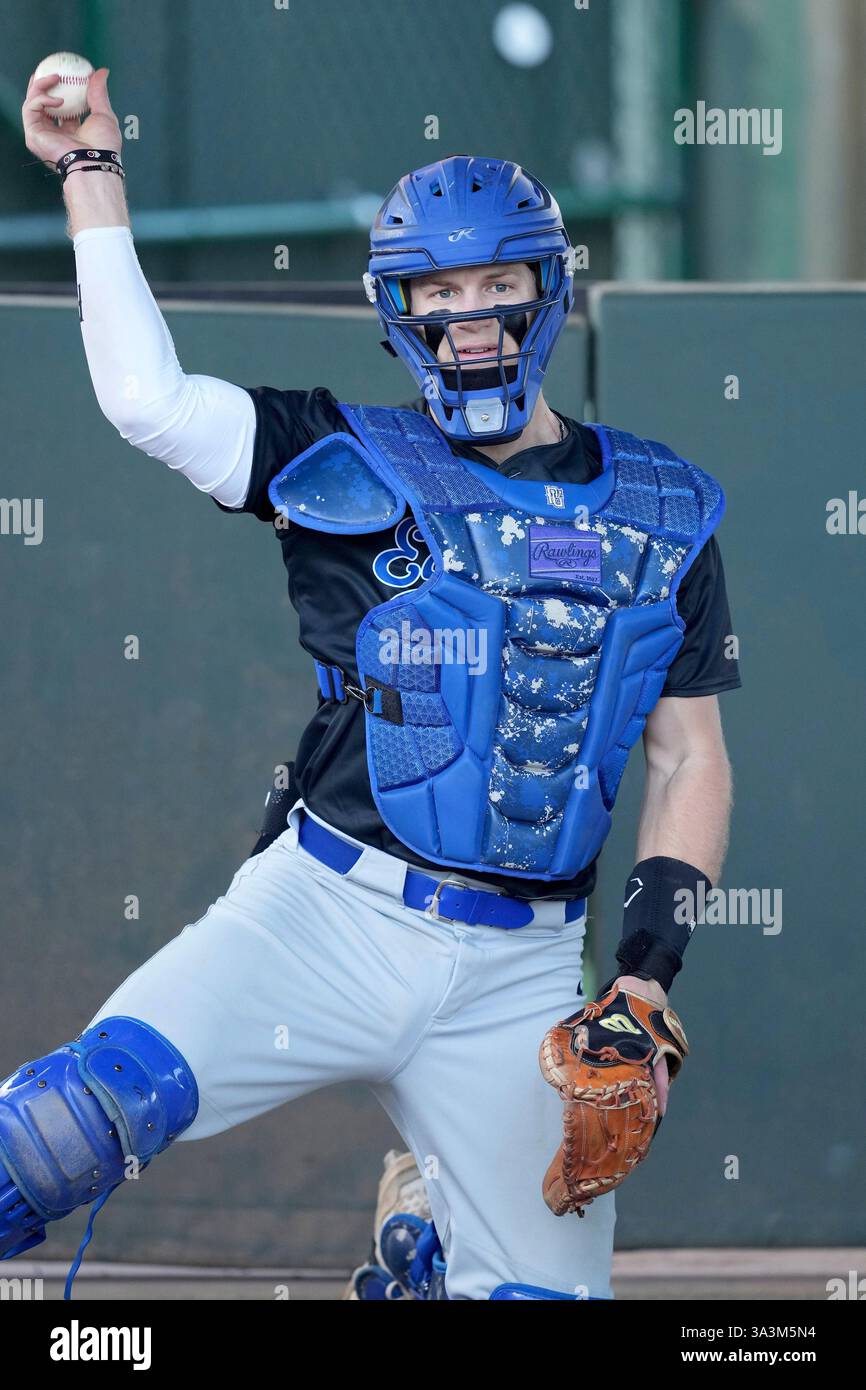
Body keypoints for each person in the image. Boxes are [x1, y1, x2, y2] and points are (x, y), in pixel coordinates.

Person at [3, 67, 738, 1301]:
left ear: (546, 289)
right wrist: (92, 174)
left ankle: (435, 1245)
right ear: (395, 309)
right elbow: (146, 401)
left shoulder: (660, 512)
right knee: (60, 1131)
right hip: (322, 916)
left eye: (495, 284)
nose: (467, 317)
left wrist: (642, 973)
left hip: (521, 969)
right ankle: (432, 1223)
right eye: (434, 290)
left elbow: (686, 759)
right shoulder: (342, 453)